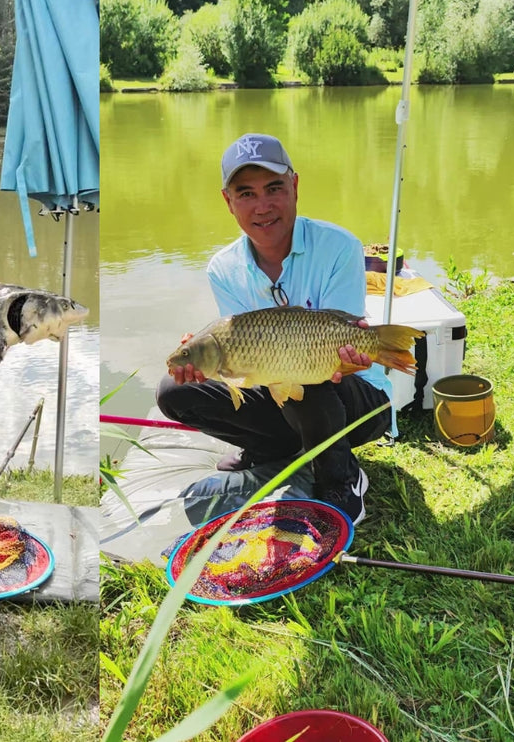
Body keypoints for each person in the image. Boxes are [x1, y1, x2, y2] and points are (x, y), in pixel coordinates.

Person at [156, 133, 389, 522]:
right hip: (285, 389)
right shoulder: (222, 268)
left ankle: (340, 479)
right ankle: (271, 446)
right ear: (228, 202)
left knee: (305, 374)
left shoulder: (339, 246)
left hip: (356, 399)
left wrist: (361, 354)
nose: (262, 206)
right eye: (245, 193)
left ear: (295, 186)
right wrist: (203, 364)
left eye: (274, 188)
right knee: (174, 391)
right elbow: (247, 367)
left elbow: (344, 346)